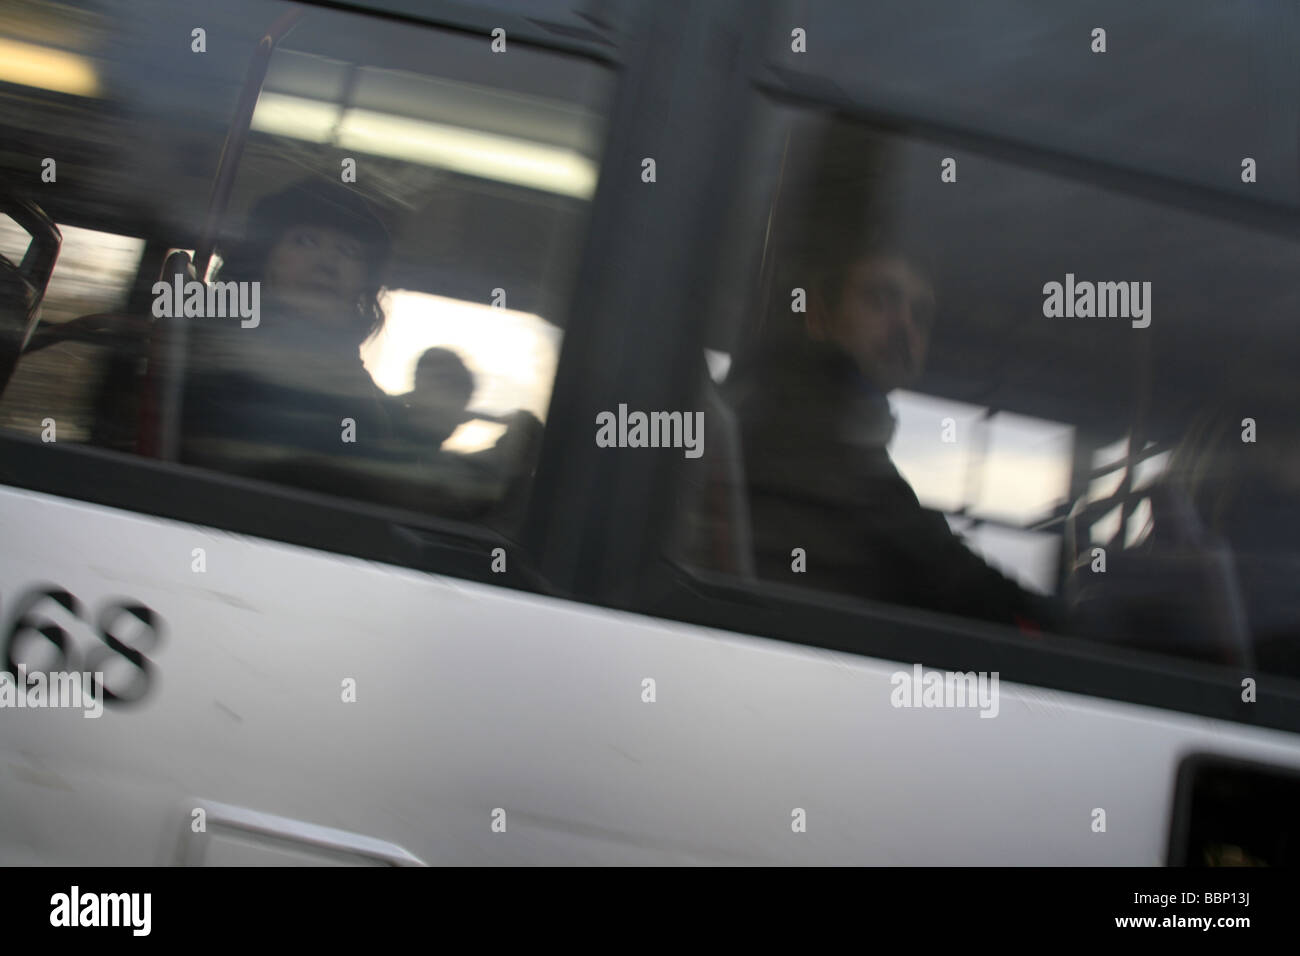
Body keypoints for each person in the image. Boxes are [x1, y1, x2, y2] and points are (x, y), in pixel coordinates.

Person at [728, 228, 1058, 630]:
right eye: (880, 299)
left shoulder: (840, 426)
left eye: (920, 315)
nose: (904, 325)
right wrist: (1060, 627)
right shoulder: (797, 422)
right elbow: (937, 568)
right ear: (818, 315)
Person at [178, 178, 400, 483]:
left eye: (348, 251)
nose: (327, 264)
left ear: (363, 283)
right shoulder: (210, 353)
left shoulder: (357, 387)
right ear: (265, 258)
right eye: (305, 241)